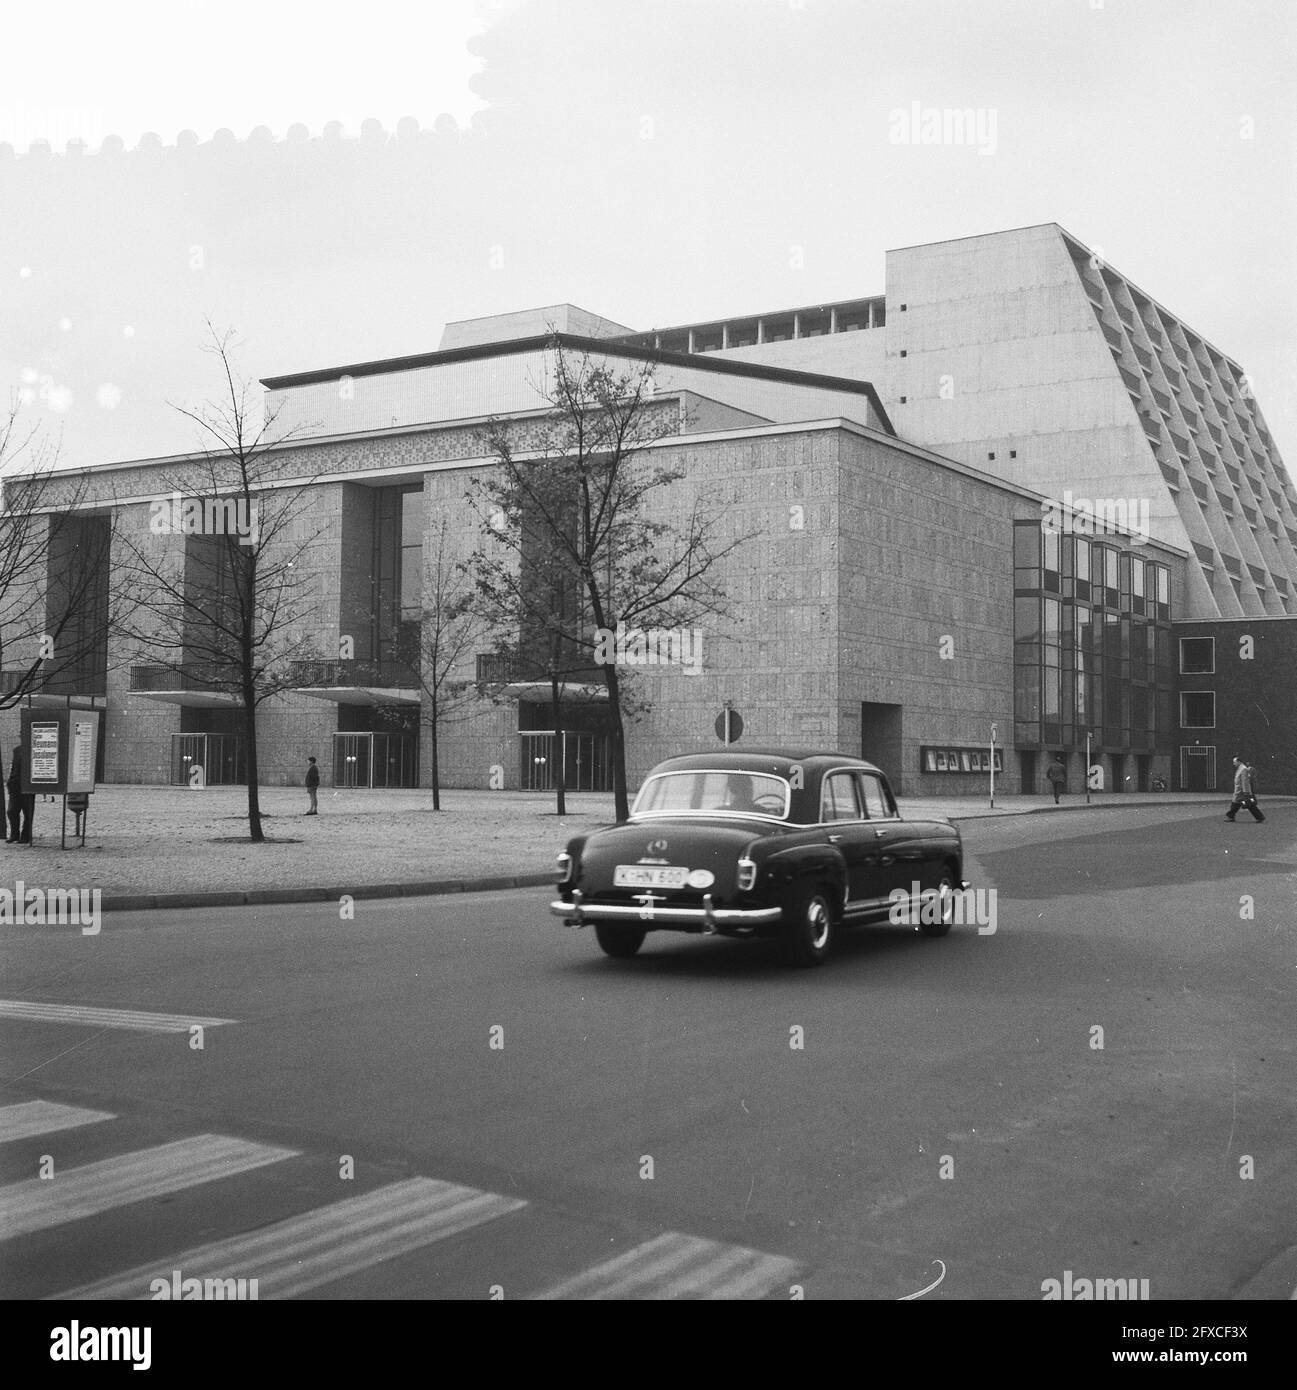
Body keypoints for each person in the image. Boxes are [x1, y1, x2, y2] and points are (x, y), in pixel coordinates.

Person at [6, 744, 34, 844]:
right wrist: (10, 782)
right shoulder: (17, 750)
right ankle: (14, 834)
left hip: (29, 785)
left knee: (28, 812)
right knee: (11, 811)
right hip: (15, 785)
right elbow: (14, 768)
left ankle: (25, 836)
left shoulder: (34, 749)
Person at [1225, 757, 1265, 822]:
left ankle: (1231, 816)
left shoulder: (1243, 769)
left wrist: (1246, 792)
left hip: (1241, 791)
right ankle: (1259, 817)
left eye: (1234, 762)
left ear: (1239, 761)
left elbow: (1245, 781)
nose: (1233, 764)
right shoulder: (1241, 768)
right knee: (1245, 804)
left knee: (1240, 803)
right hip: (1240, 790)